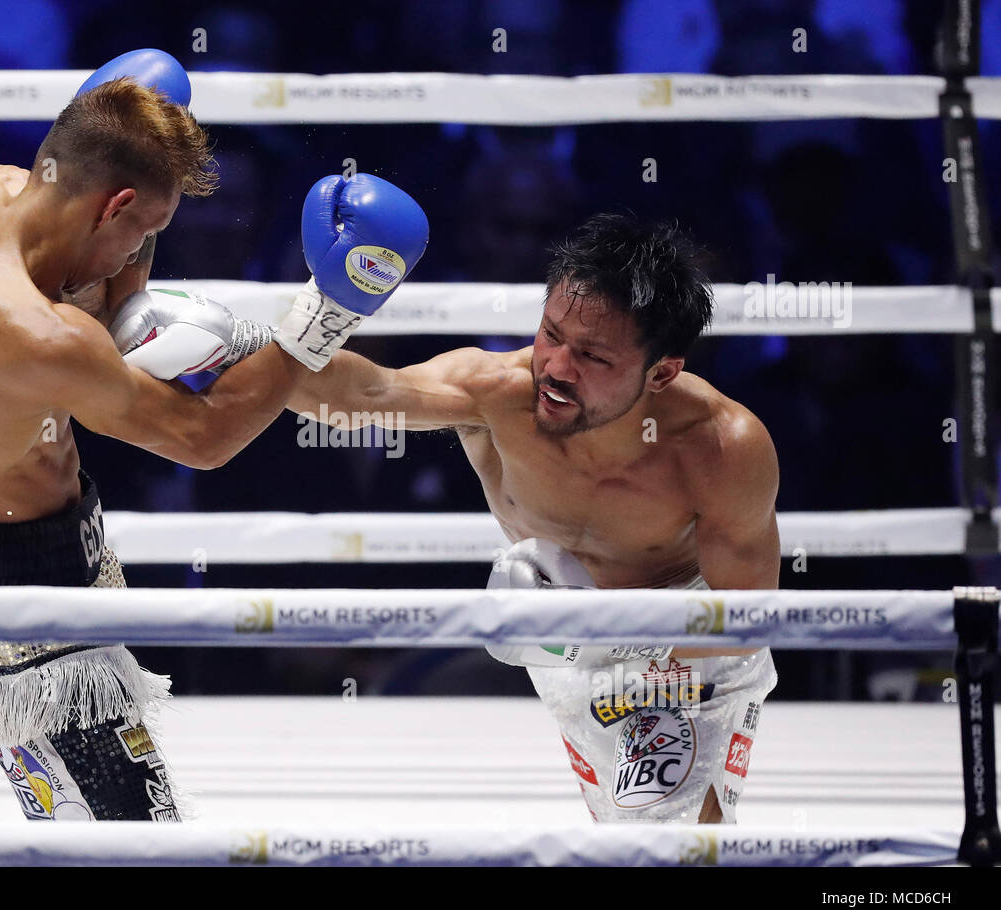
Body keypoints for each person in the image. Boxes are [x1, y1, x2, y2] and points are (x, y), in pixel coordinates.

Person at [0, 49, 428, 821]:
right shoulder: (37, 336)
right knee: (134, 839)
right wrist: (322, 316)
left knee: (96, 834)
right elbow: (202, 439)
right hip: (22, 602)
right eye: (145, 228)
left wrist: (131, 141)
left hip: (18, 559)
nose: (139, 255)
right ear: (114, 207)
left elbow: (103, 258)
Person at [128, 212, 776, 824]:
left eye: (594, 357)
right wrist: (242, 347)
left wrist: (611, 638)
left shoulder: (722, 448)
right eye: (551, 333)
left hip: (688, 649)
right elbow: (367, 393)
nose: (555, 367)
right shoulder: (495, 393)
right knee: (624, 832)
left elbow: (744, 618)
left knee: (675, 841)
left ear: (662, 371)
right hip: (556, 640)